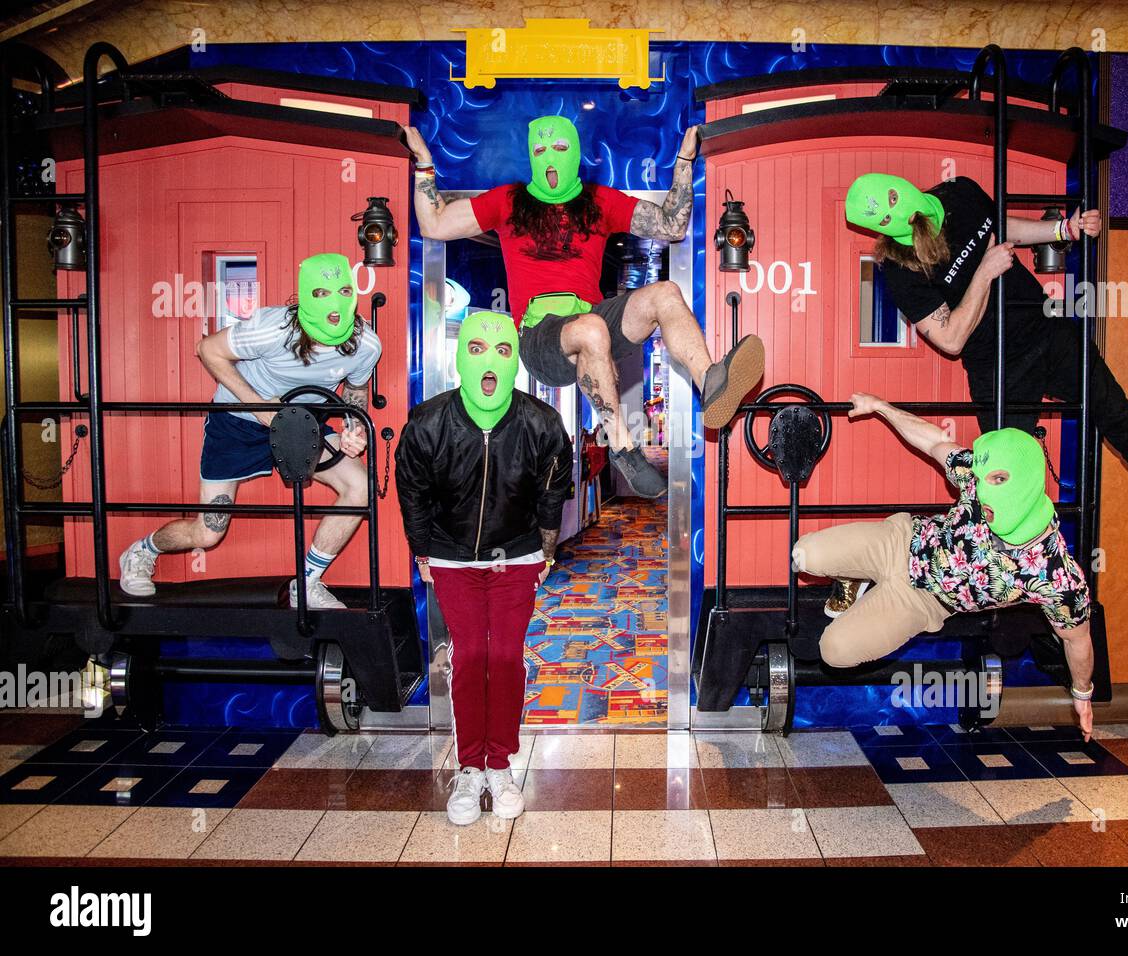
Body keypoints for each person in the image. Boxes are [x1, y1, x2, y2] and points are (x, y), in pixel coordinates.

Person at [844, 172, 1128, 554]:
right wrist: (984, 274)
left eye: (894, 201)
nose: (895, 215)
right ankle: (1002, 585)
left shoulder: (959, 193)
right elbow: (951, 339)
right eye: (883, 220)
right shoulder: (899, 269)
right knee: (1003, 480)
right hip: (999, 368)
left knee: (1126, 422)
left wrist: (1061, 228)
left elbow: (998, 227)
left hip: (1047, 332)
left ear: (897, 185)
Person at [401, 115, 765, 498]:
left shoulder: (598, 201)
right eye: (540, 151)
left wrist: (685, 163)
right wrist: (424, 162)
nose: (550, 160)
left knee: (666, 293)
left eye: (559, 149)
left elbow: (671, 226)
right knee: (590, 327)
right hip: (540, 337)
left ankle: (710, 381)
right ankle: (624, 447)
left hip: (592, 321)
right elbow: (435, 225)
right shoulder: (509, 201)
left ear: (574, 153)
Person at [793, 393, 1096, 739]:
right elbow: (935, 441)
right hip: (902, 541)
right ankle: (854, 576)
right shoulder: (977, 475)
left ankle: (865, 590)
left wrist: (1082, 694)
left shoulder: (1055, 575)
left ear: (1025, 482)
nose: (982, 492)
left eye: (997, 480)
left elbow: (1078, 641)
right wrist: (882, 407)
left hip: (924, 600)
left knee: (834, 652)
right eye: (981, 480)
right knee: (805, 555)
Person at [116, 253, 380, 609]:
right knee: (208, 532)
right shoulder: (272, 328)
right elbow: (207, 349)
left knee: (360, 487)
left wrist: (354, 427)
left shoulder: (365, 344)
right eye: (321, 294)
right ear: (305, 297)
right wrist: (261, 409)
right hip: (238, 421)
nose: (334, 304)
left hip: (302, 425)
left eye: (344, 291)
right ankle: (142, 551)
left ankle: (307, 582)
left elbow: (356, 391)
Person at [395, 310, 572, 825]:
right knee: (472, 657)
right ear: (460, 357)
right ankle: (470, 768)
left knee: (507, 658)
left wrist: (546, 549)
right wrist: (423, 550)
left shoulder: (541, 421)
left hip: (517, 556)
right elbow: (413, 492)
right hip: (452, 558)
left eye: (499, 350)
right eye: (476, 349)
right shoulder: (428, 422)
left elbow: (552, 489)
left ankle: (501, 763)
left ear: (514, 358)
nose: (489, 362)